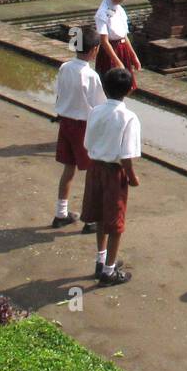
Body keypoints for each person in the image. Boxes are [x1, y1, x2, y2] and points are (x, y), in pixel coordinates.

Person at [81, 67, 141, 286]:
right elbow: (126, 156)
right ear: (130, 90)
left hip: (95, 167)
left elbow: (87, 143)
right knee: (115, 221)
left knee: (99, 216)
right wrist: (133, 178)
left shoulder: (96, 111)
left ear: (104, 88)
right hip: (114, 172)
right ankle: (109, 271)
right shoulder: (128, 117)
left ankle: (102, 259)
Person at [52, 37, 107, 230]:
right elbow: (100, 106)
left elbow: (58, 91)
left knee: (69, 168)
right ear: (94, 50)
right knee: (92, 173)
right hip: (83, 126)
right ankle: (90, 219)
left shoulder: (65, 67)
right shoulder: (91, 75)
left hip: (65, 123)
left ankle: (61, 213)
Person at [94, 0, 141, 93]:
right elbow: (104, 41)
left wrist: (133, 56)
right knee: (110, 87)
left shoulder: (120, 10)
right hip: (110, 52)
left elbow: (124, 35)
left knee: (125, 86)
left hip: (122, 49)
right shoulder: (102, 13)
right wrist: (117, 61)